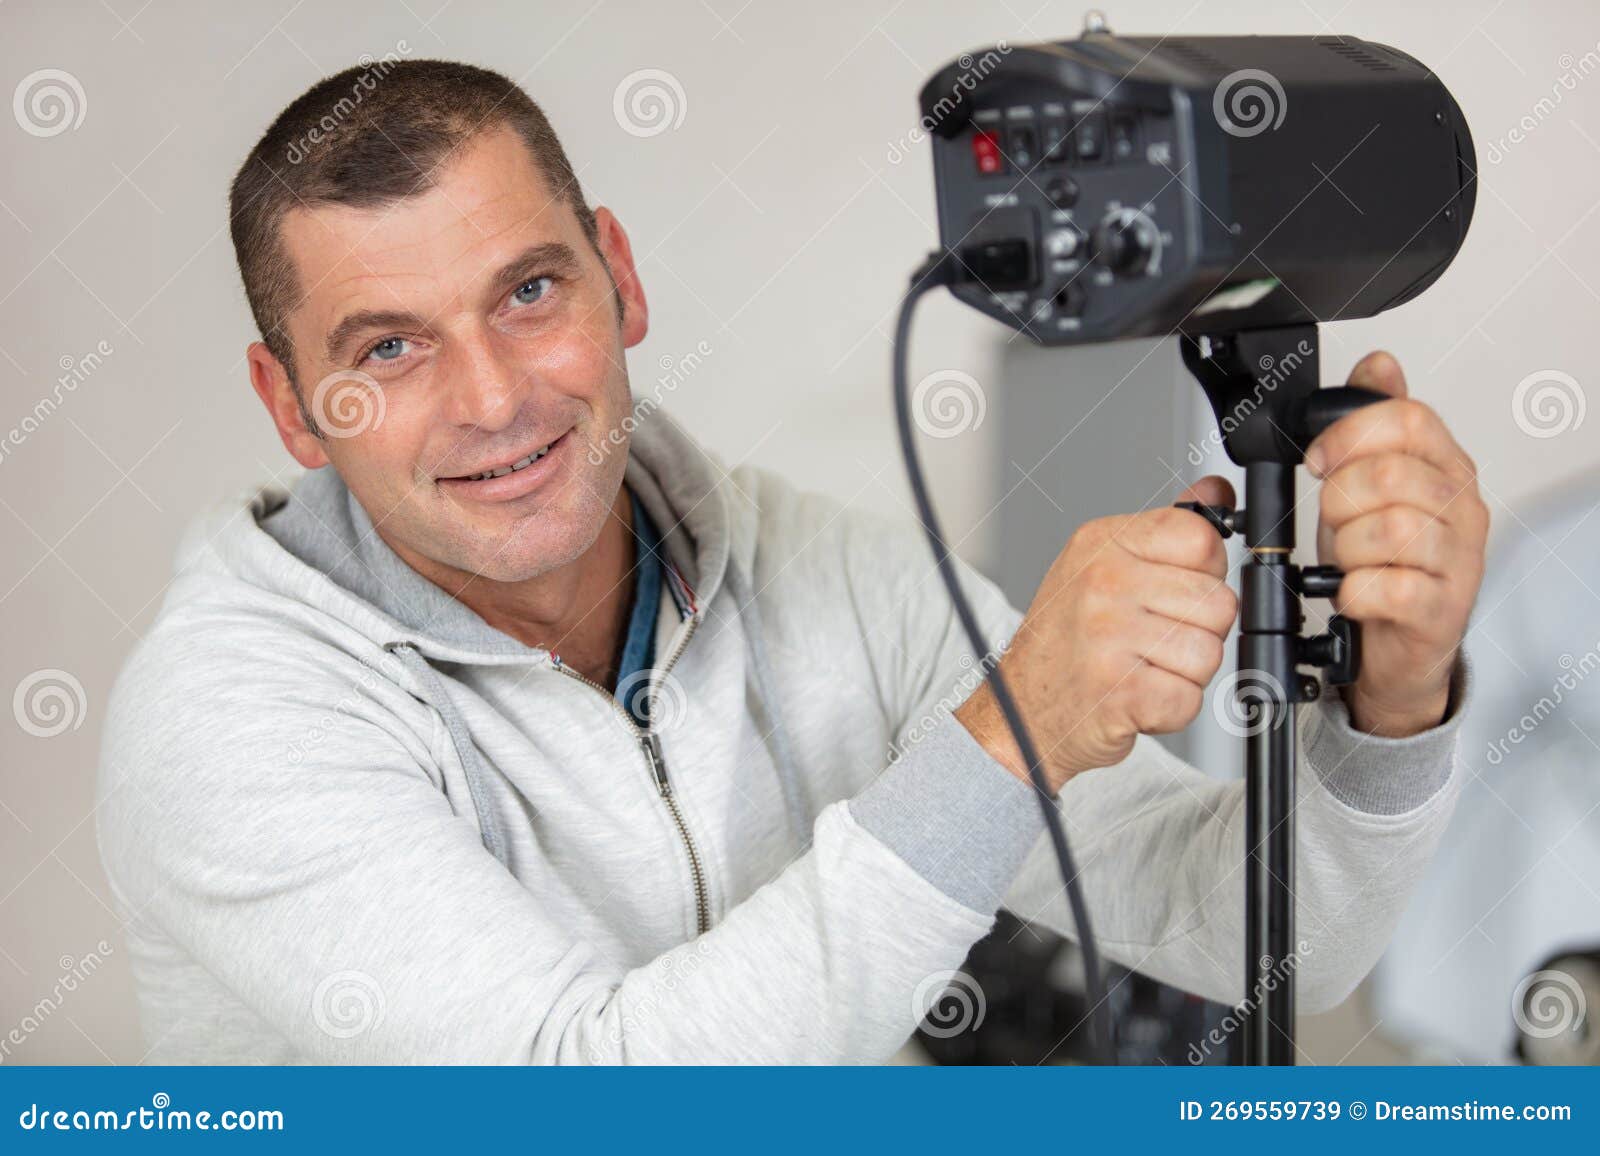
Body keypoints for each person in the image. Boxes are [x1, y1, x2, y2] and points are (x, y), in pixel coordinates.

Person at [96, 60, 1486, 1063]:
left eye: (528, 292)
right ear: (291, 408)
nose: (492, 398)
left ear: (617, 279)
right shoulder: (230, 719)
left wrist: (1396, 700)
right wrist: (1007, 741)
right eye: (388, 347)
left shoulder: (812, 570)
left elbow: (1234, 932)